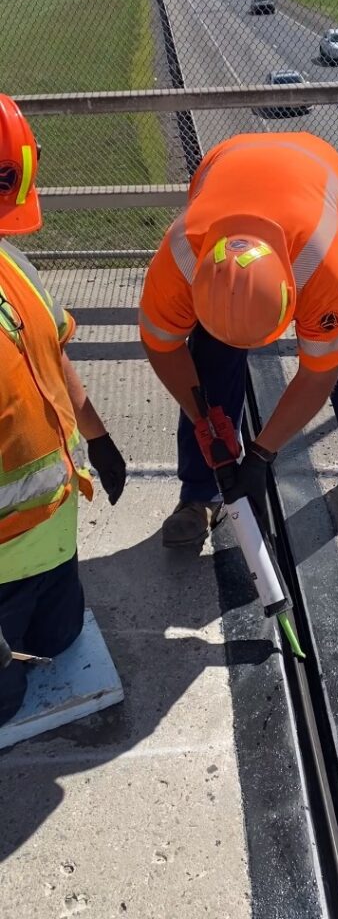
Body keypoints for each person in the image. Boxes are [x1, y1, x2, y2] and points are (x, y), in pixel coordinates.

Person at [139, 131, 338, 548]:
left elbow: (319, 374)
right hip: (230, 167)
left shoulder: (320, 267)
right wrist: (208, 428)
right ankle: (200, 492)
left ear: (291, 292)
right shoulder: (179, 260)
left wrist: (262, 455)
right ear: (198, 289)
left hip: (319, 180)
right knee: (208, 364)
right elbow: (164, 348)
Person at [0, 93, 126, 725]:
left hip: (51, 541)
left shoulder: (8, 262)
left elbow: (52, 348)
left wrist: (98, 438)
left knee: (61, 640)